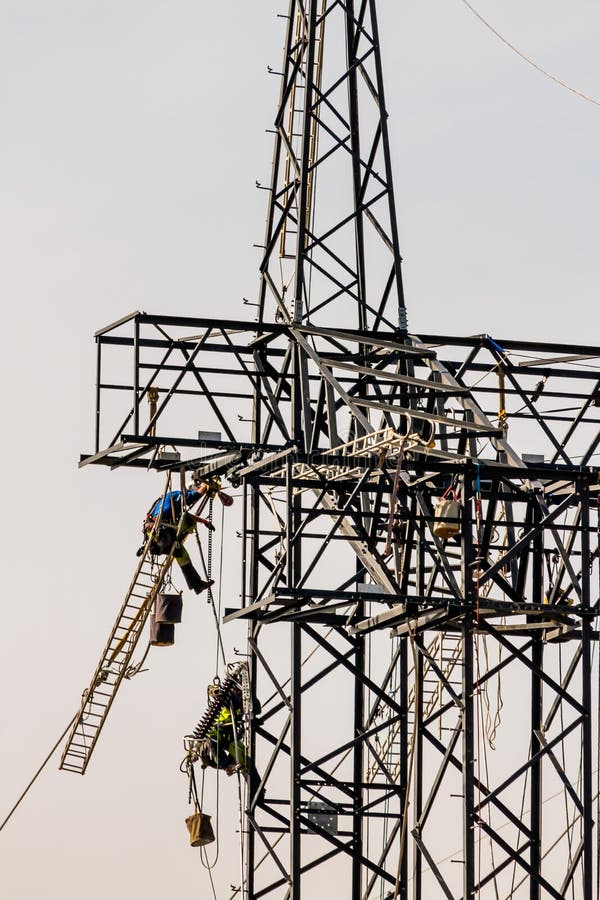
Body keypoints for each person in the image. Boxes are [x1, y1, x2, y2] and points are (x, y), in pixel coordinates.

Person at [138, 482, 215, 594]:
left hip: (160, 534)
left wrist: (203, 521)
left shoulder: (170, 503)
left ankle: (197, 585)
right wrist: (206, 485)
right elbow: (195, 496)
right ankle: (161, 543)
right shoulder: (177, 495)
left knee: (183, 556)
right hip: (160, 532)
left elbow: (185, 514)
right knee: (189, 523)